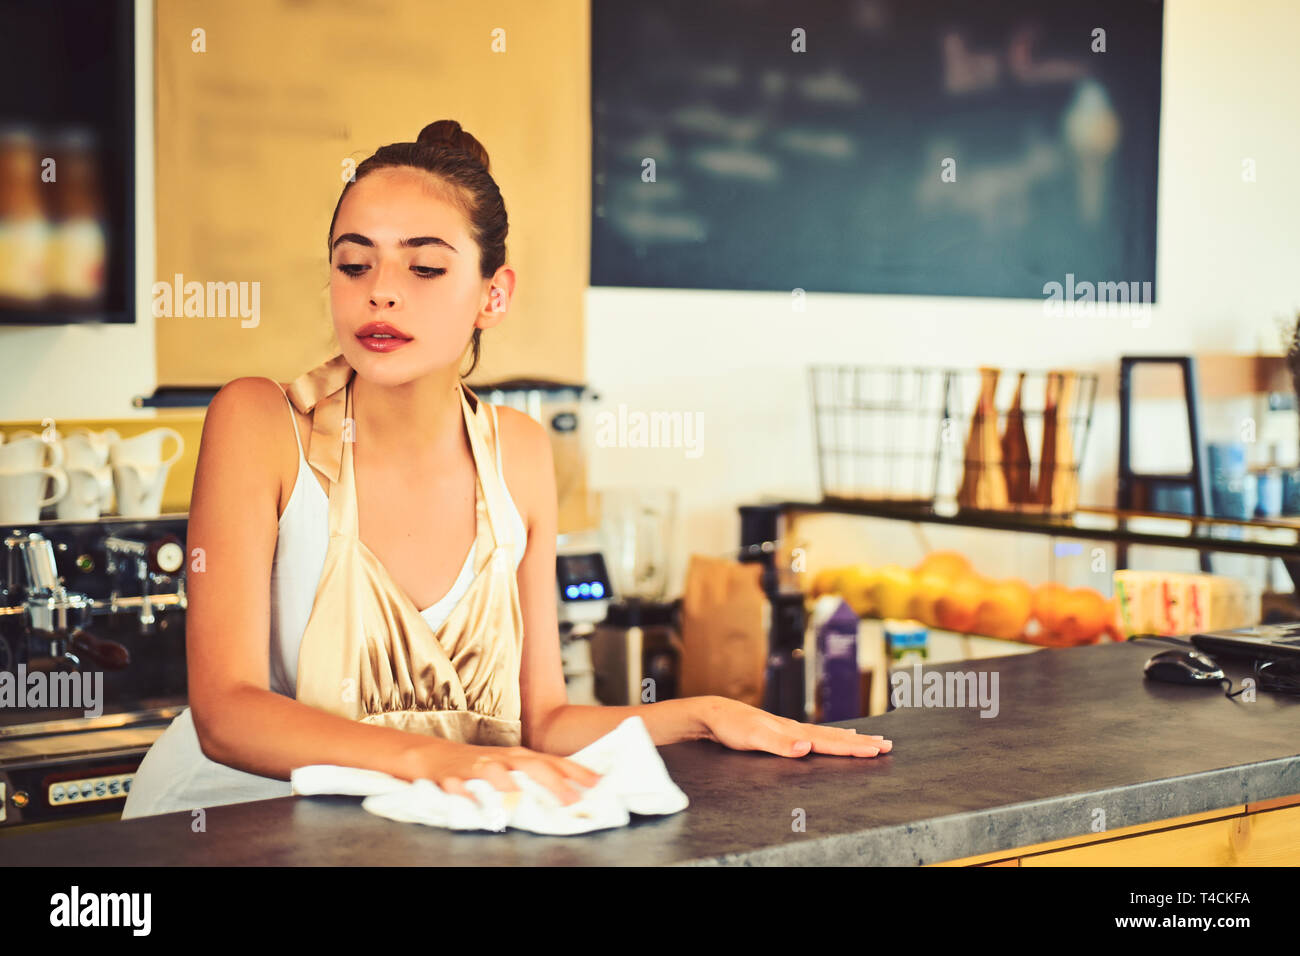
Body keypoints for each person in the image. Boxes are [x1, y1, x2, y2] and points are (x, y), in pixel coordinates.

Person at [122, 119, 892, 820]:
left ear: (494, 294)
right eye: (353, 265)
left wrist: (703, 713)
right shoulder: (259, 422)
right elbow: (227, 713)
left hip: (398, 837)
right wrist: (448, 763)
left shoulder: (517, 452)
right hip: (226, 827)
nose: (380, 290)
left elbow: (544, 721)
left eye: (424, 268)